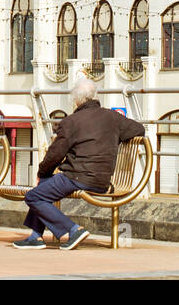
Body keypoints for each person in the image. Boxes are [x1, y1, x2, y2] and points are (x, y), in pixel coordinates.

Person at [13, 77, 145, 250]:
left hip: (77, 178)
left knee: (33, 196)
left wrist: (42, 173)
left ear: (76, 100)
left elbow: (55, 154)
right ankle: (35, 236)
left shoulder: (71, 122)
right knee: (44, 185)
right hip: (103, 181)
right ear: (96, 96)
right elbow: (139, 129)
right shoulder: (113, 117)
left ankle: (73, 230)